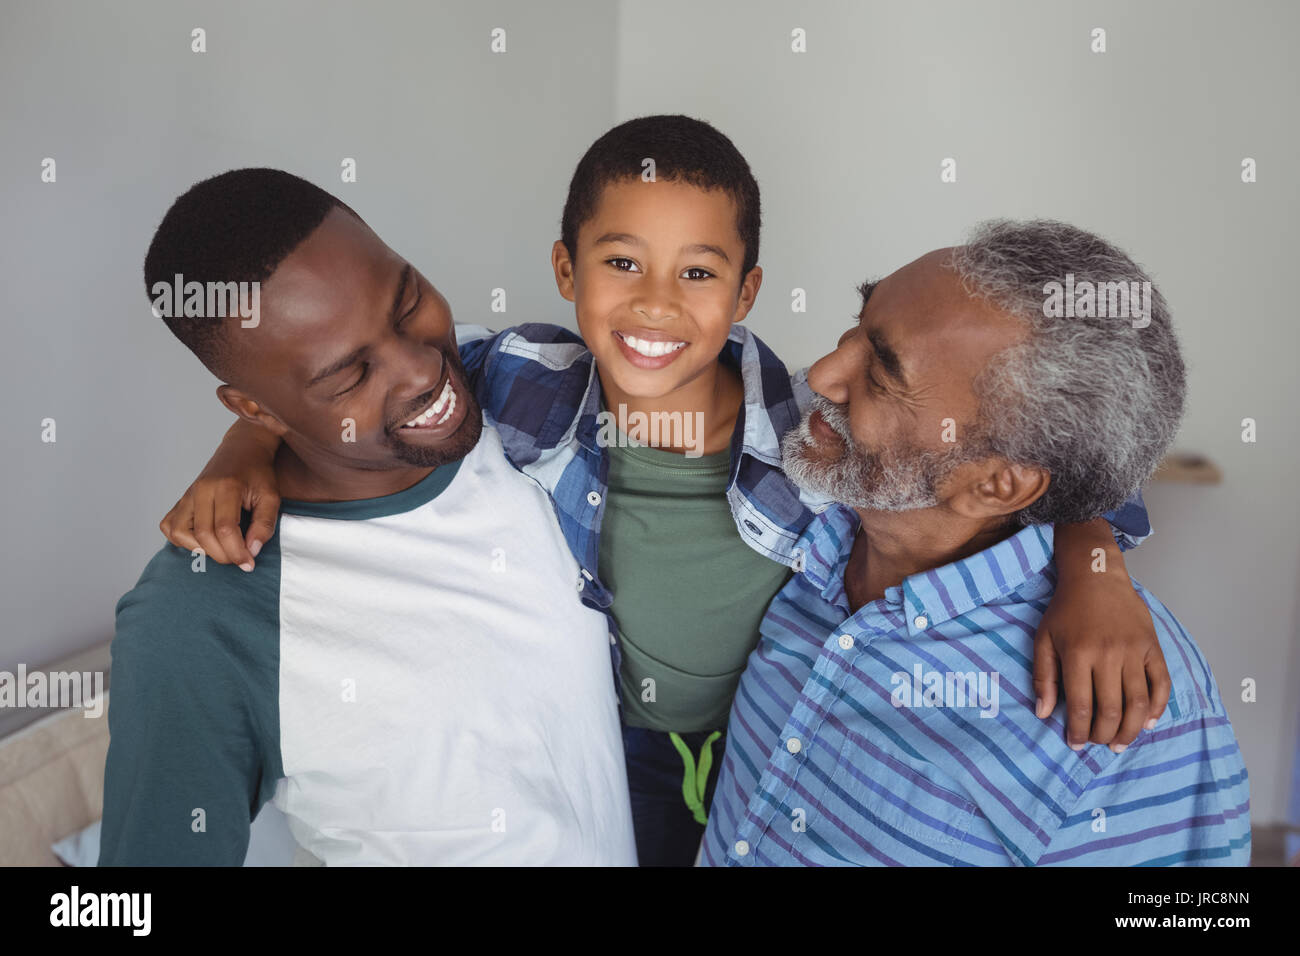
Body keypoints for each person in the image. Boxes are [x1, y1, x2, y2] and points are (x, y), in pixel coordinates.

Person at [155, 118, 1170, 867]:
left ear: (744, 294)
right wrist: (242, 445)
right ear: (566, 268)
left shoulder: (808, 430)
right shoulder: (513, 381)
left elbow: (1043, 467)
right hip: (607, 744)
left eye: (696, 273)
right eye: (620, 262)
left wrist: (1094, 562)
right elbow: (356, 388)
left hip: (752, 741)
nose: (653, 302)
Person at [100, 169, 637, 865]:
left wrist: (248, 445)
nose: (420, 371)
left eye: (406, 302)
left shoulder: (522, 403)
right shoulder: (200, 617)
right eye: (351, 376)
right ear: (254, 408)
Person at [701, 220, 1251, 866]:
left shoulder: (1129, 711)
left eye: (882, 372)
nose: (821, 374)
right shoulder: (809, 504)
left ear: (998, 484)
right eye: (858, 321)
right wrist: (1091, 551)